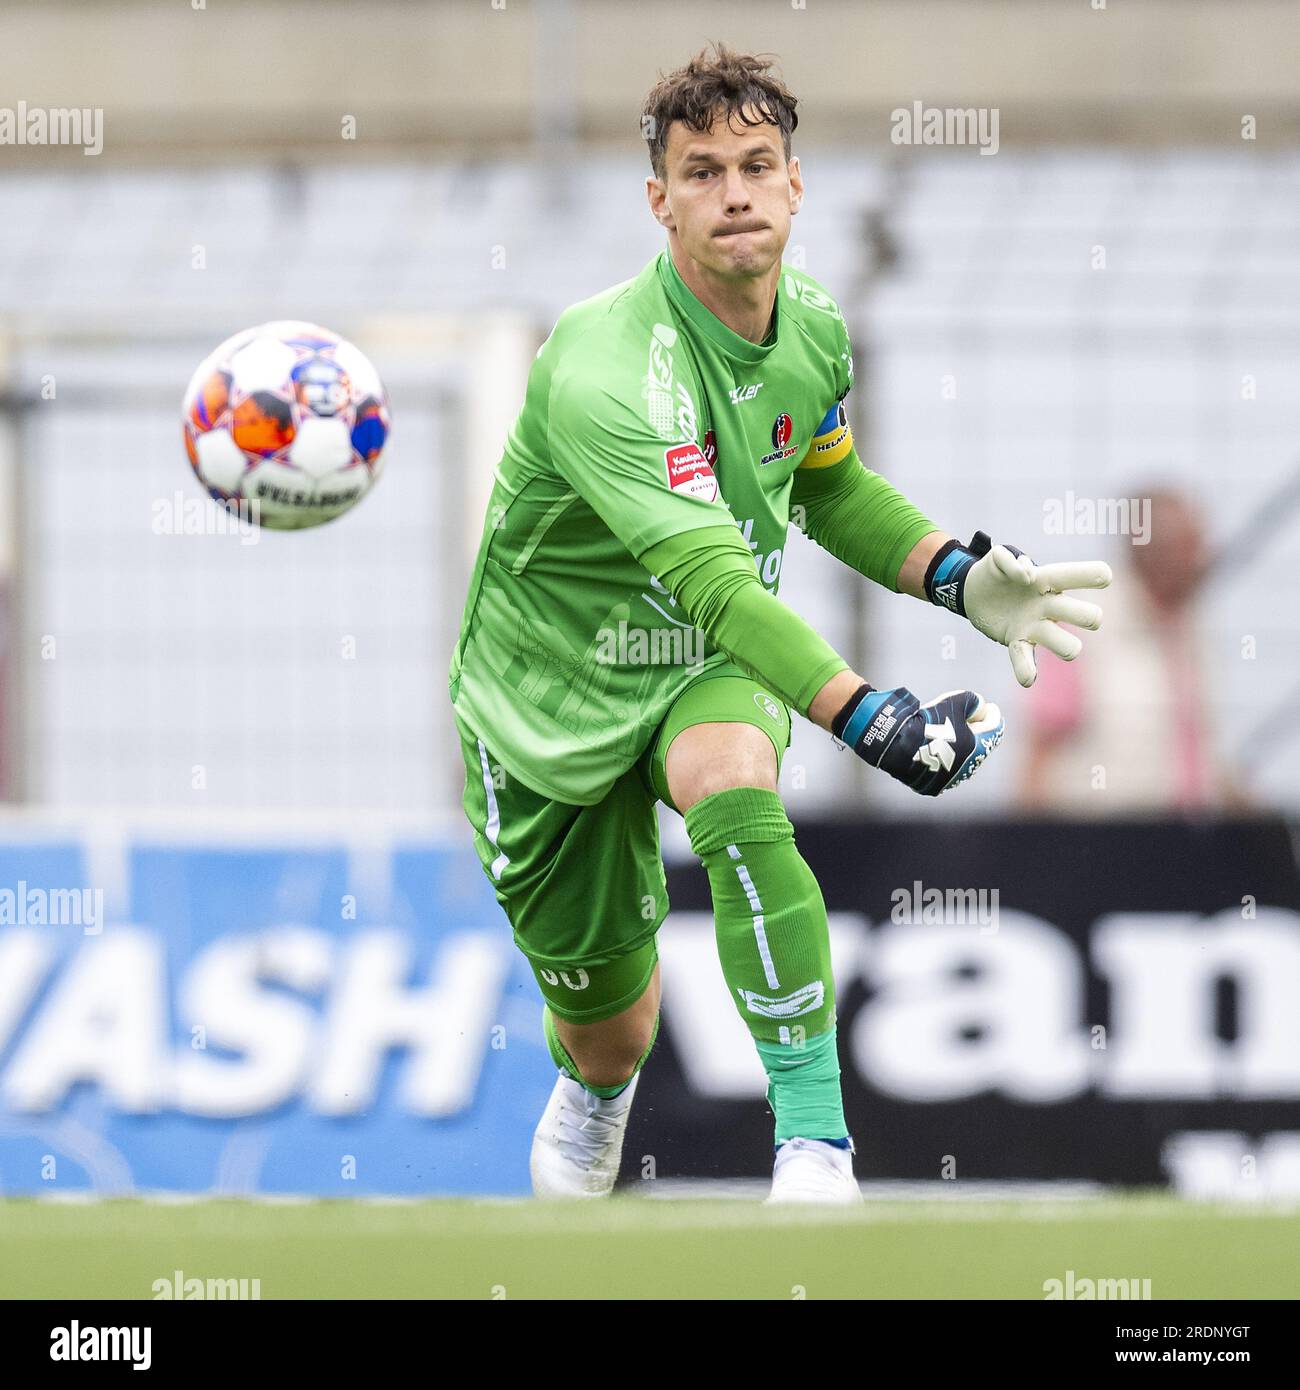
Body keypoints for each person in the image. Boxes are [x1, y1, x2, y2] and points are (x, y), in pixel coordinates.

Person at [448, 43, 1110, 1203]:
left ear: (797, 183)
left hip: (705, 659)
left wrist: (955, 572)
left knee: (737, 782)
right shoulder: (605, 366)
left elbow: (826, 484)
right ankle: (596, 1095)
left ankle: (813, 1148)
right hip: (542, 691)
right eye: (702, 171)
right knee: (613, 1026)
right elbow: (713, 577)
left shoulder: (808, 321)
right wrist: (870, 715)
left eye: (757, 164)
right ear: (659, 201)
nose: (736, 191)